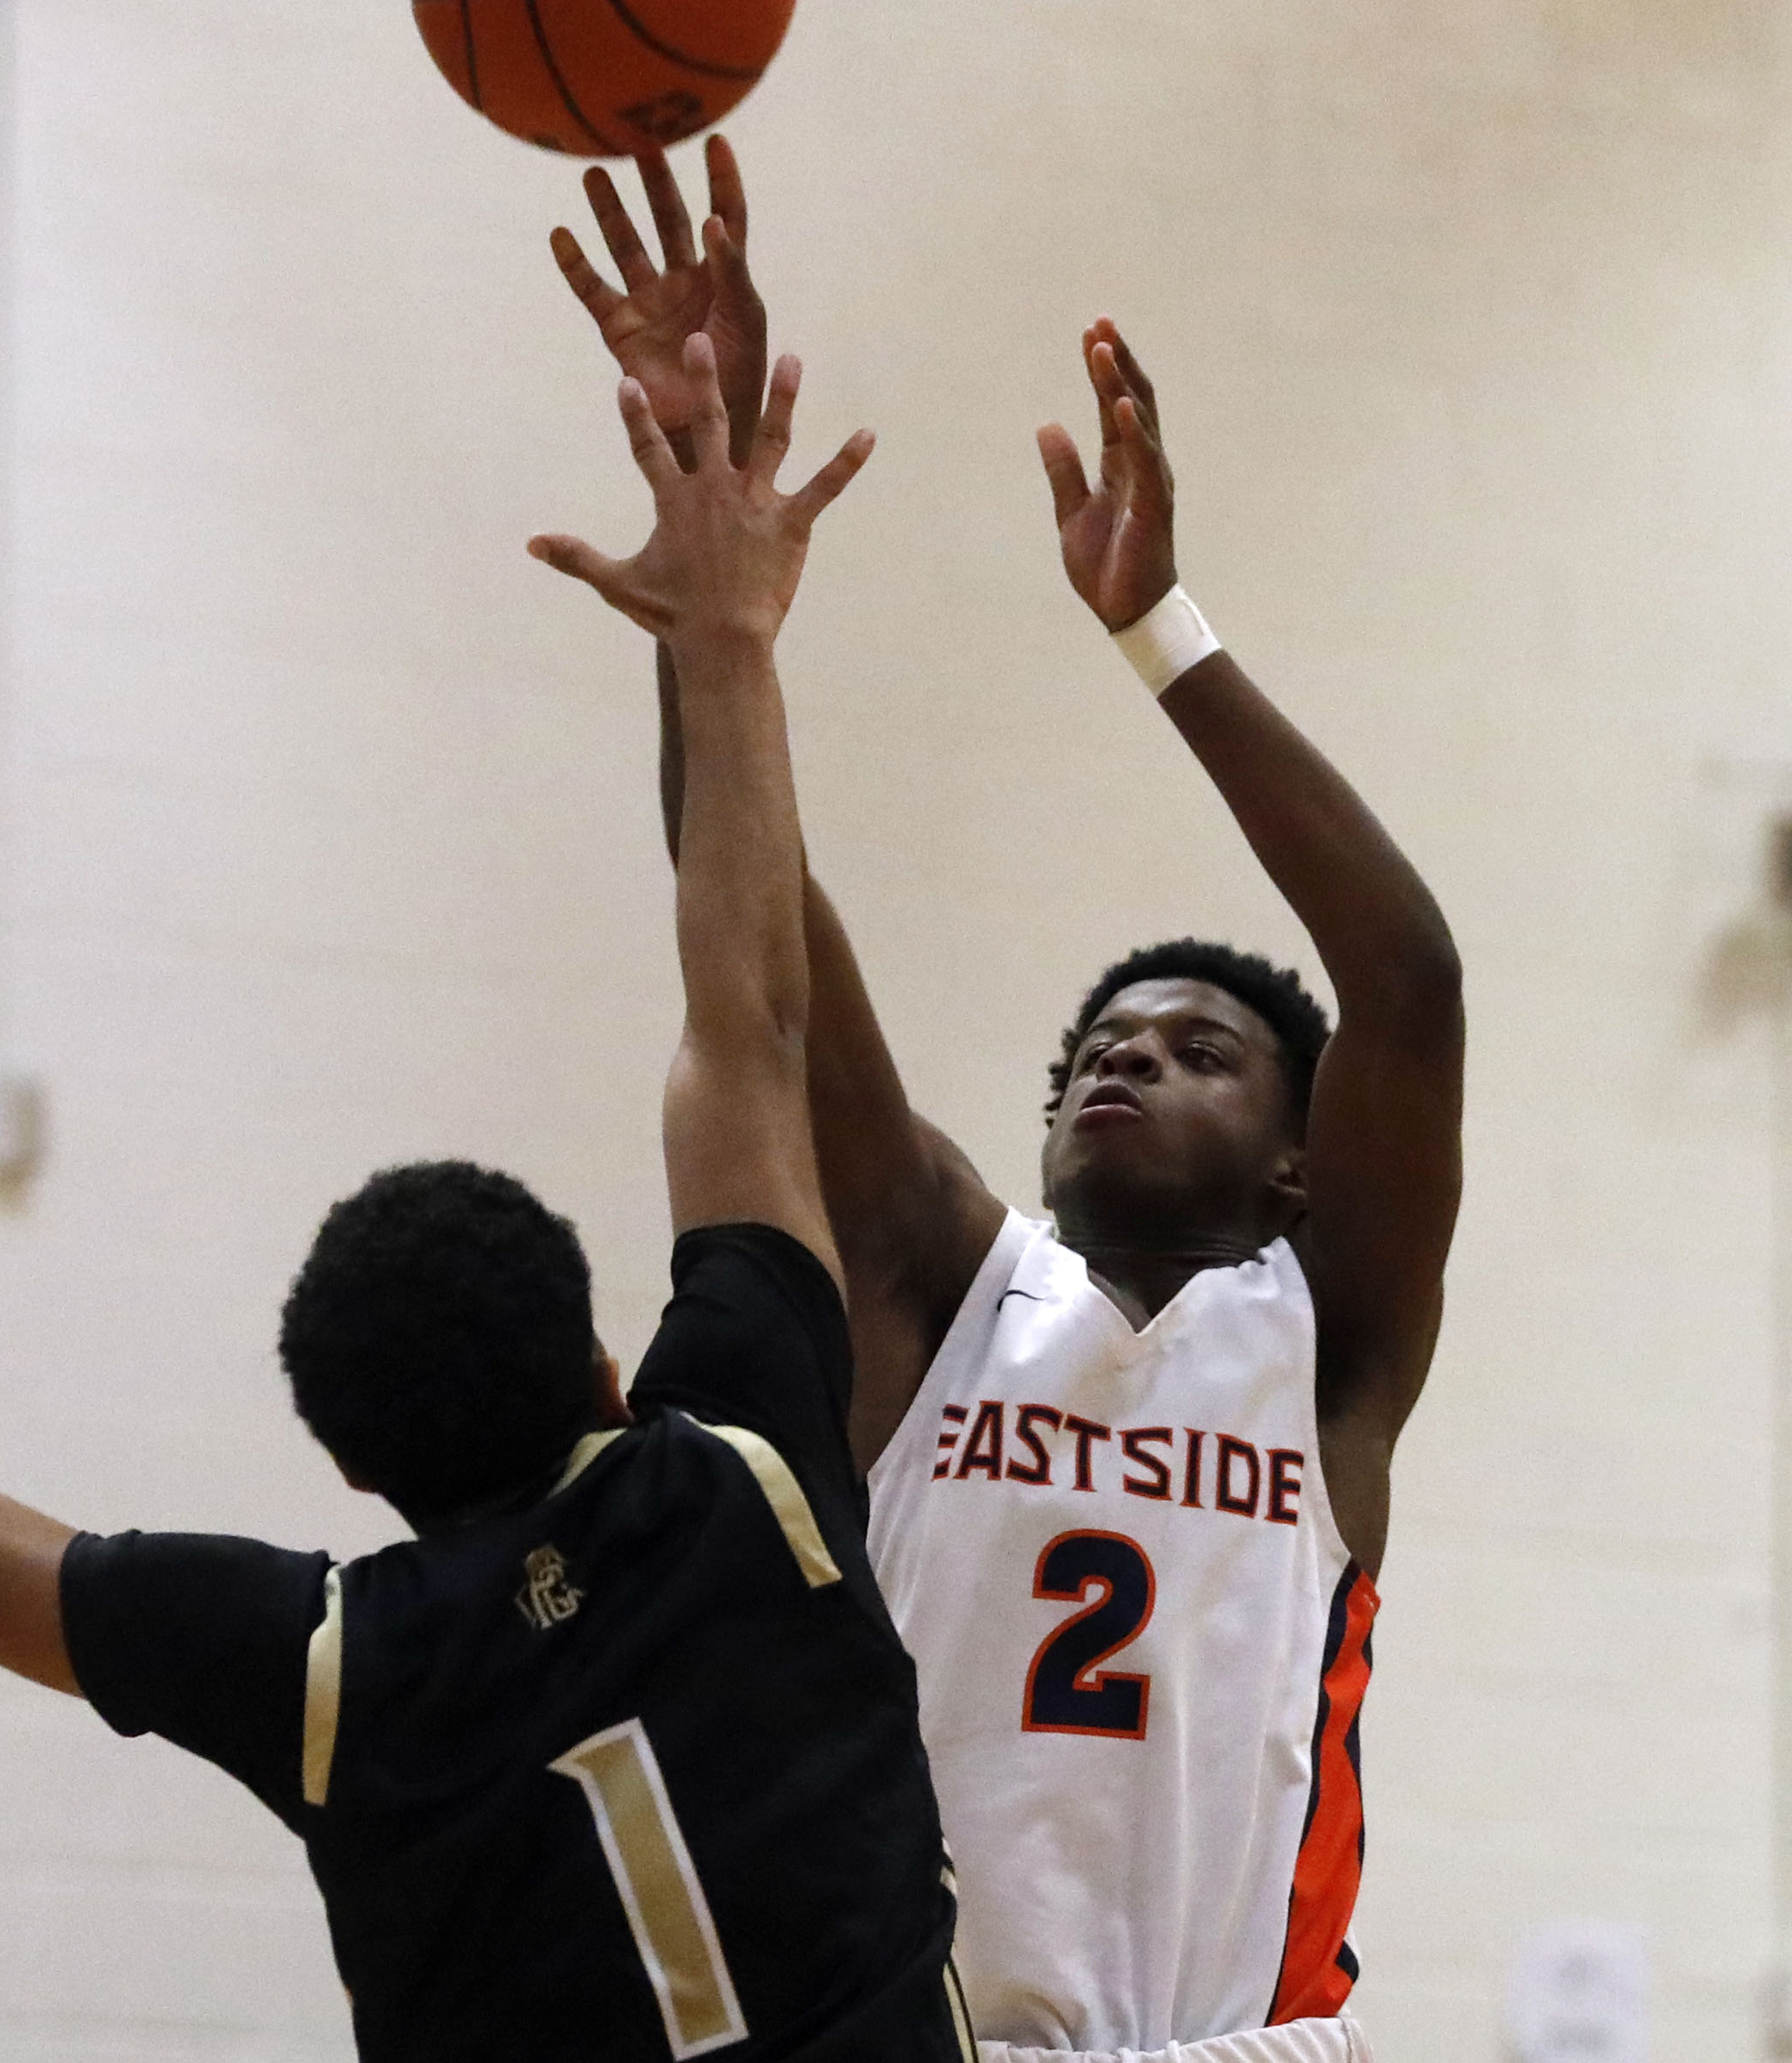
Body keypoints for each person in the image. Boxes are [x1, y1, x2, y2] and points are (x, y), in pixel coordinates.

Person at [0, 340, 980, 2061]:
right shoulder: (745, 1455)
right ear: (612, 1363)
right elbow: (749, 1025)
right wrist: (727, 642)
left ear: (353, 1467)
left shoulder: (322, 1666)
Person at [554, 146, 1464, 2063]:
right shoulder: (945, 1276)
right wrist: (714, 629)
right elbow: (759, 967)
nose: (1124, 1057)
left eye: (1198, 1046)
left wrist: (1162, 633)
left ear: (1303, 1160)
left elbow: (1412, 980)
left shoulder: (1330, 1344)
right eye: (1095, 1050)